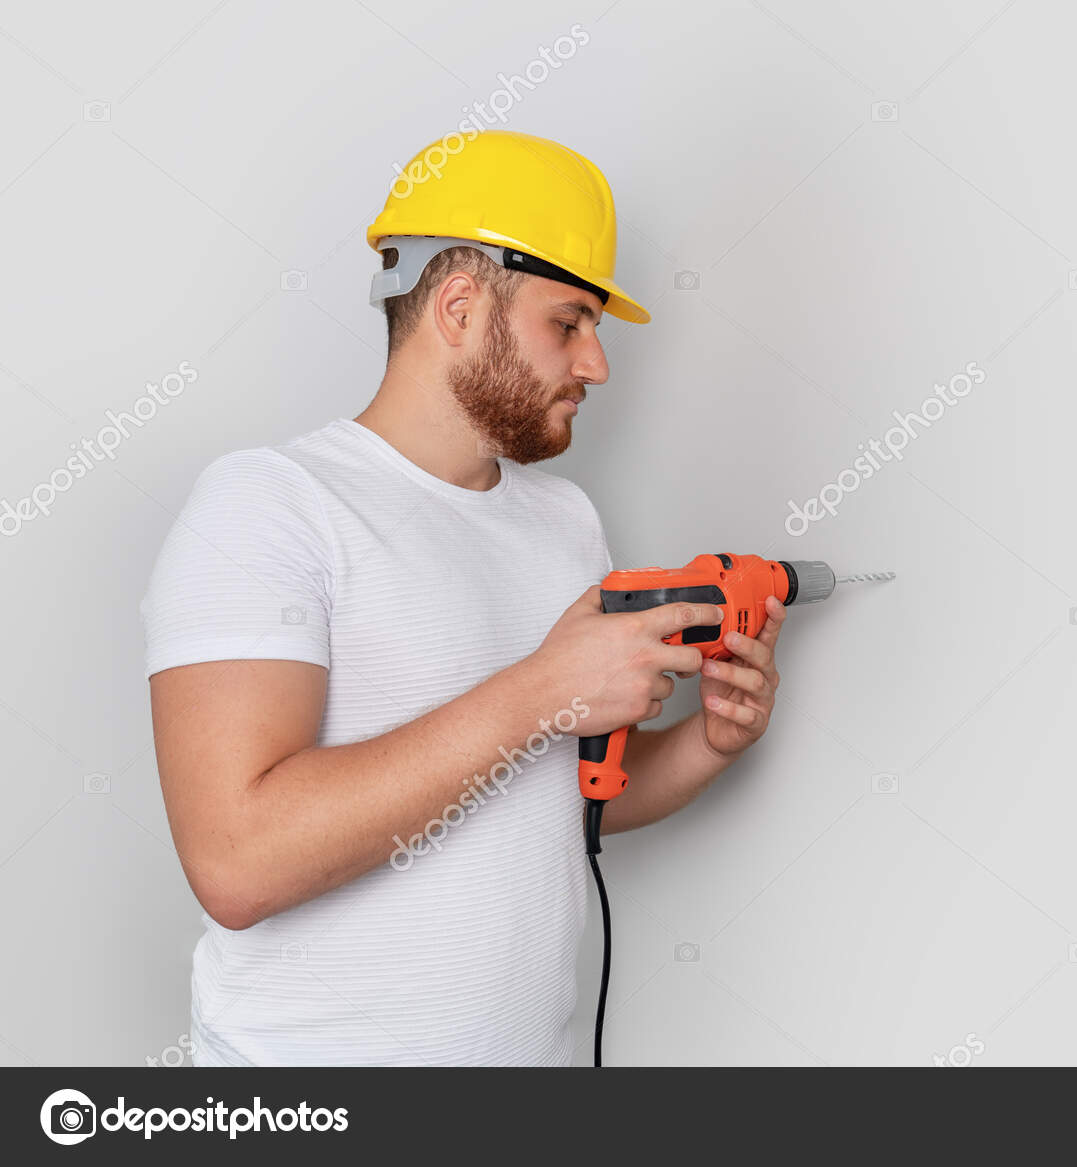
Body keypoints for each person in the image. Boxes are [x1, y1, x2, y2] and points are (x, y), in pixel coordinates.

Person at [140, 131, 786, 1066]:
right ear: (457, 305)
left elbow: (551, 797)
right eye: (568, 323)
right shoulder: (268, 505)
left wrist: (705, 743)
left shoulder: (565, 523)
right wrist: (542, 688)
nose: (597, 364)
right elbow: (238, 862)